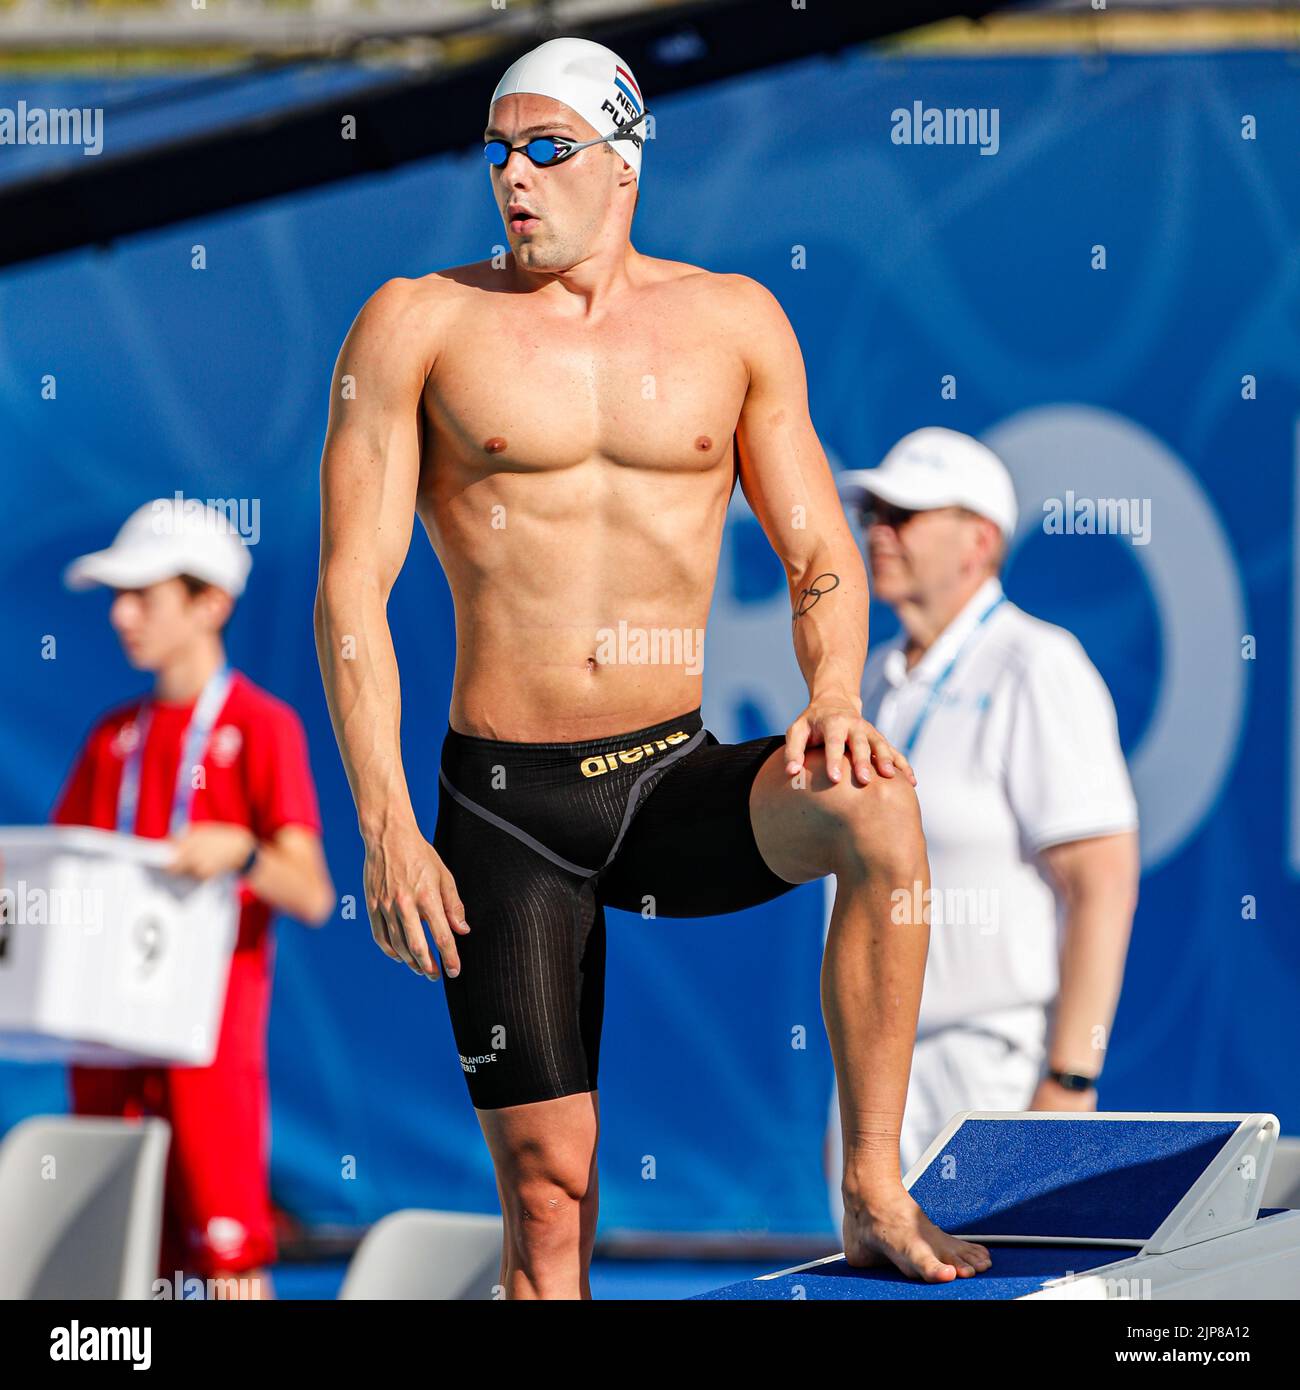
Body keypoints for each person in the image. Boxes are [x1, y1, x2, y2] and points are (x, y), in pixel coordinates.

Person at [315, 36, 991, 1299]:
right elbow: (352, 586)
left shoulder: (731, 322)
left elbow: (820, 555)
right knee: (550, 1194)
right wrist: (387, 822)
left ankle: (870, 1186)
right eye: (497, 151)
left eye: (546, 149)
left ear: (621, 162)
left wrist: (835, 698)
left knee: (879, 805)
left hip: (666, 780)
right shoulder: (416, 322)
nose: (511, 176)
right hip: (505, 813)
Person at [825, 427, 1140, 1225]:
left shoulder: (1037, 663)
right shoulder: (879, 685)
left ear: (981, 541)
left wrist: (1070, 1083)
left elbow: (1103, 881)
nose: (878, 531)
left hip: (990, 1079)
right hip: (872, 1087)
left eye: (907, 513)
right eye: (874, 511)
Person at [53, 497, 335, 1298]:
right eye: (117, 594)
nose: (121, 614)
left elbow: (312, 893)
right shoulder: (113, 738)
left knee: (229, 1274)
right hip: (106, 1053)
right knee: (107, 1279)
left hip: (208, 1060)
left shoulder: (263, 725)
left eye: (143, 593)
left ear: (210, 602)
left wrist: (241, 851)